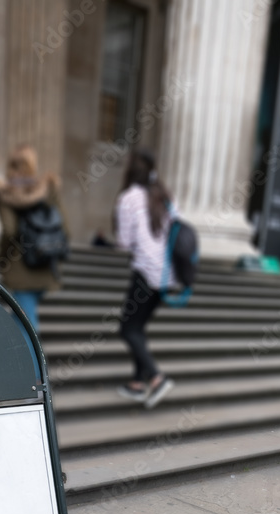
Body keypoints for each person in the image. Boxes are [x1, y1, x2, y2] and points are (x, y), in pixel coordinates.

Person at [114, 149, 175, 409]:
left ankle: (156, 377)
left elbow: (124, 242)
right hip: (166, 276)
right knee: (137, 328)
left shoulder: (128, 198)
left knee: (127, 329)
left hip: (145, 274)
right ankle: (138, 384)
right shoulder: (164, 197)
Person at [0, 144, 67, 333]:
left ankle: (33, 363)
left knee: (27, 328)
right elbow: (65, 228)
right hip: (45, 266)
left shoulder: (5, 194)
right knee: (19, 320)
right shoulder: (47, 189)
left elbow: (9, 231)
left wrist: (2, 259)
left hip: (21, 269)